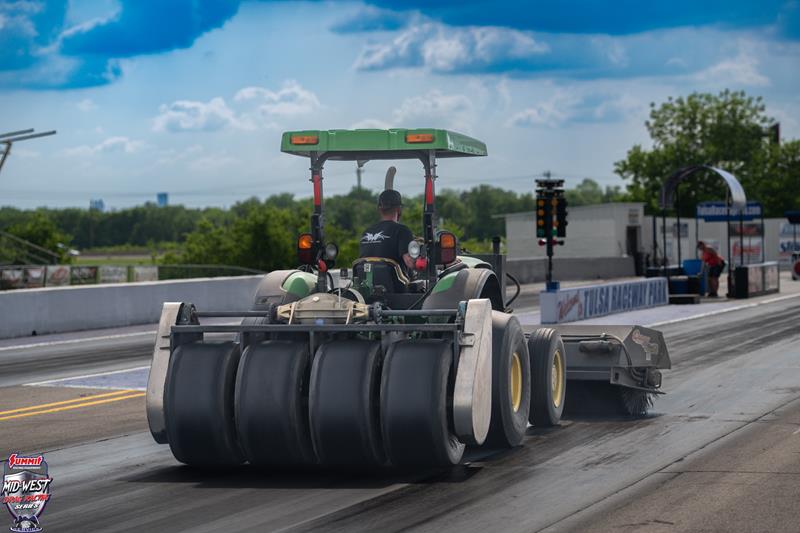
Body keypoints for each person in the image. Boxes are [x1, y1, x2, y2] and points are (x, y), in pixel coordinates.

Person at [359, 187, 415, 272]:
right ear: (399, 209)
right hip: (393, 284)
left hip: (365, 283)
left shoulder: (366, 232)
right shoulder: (402, 231)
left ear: (380, 209)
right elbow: (410, 262)